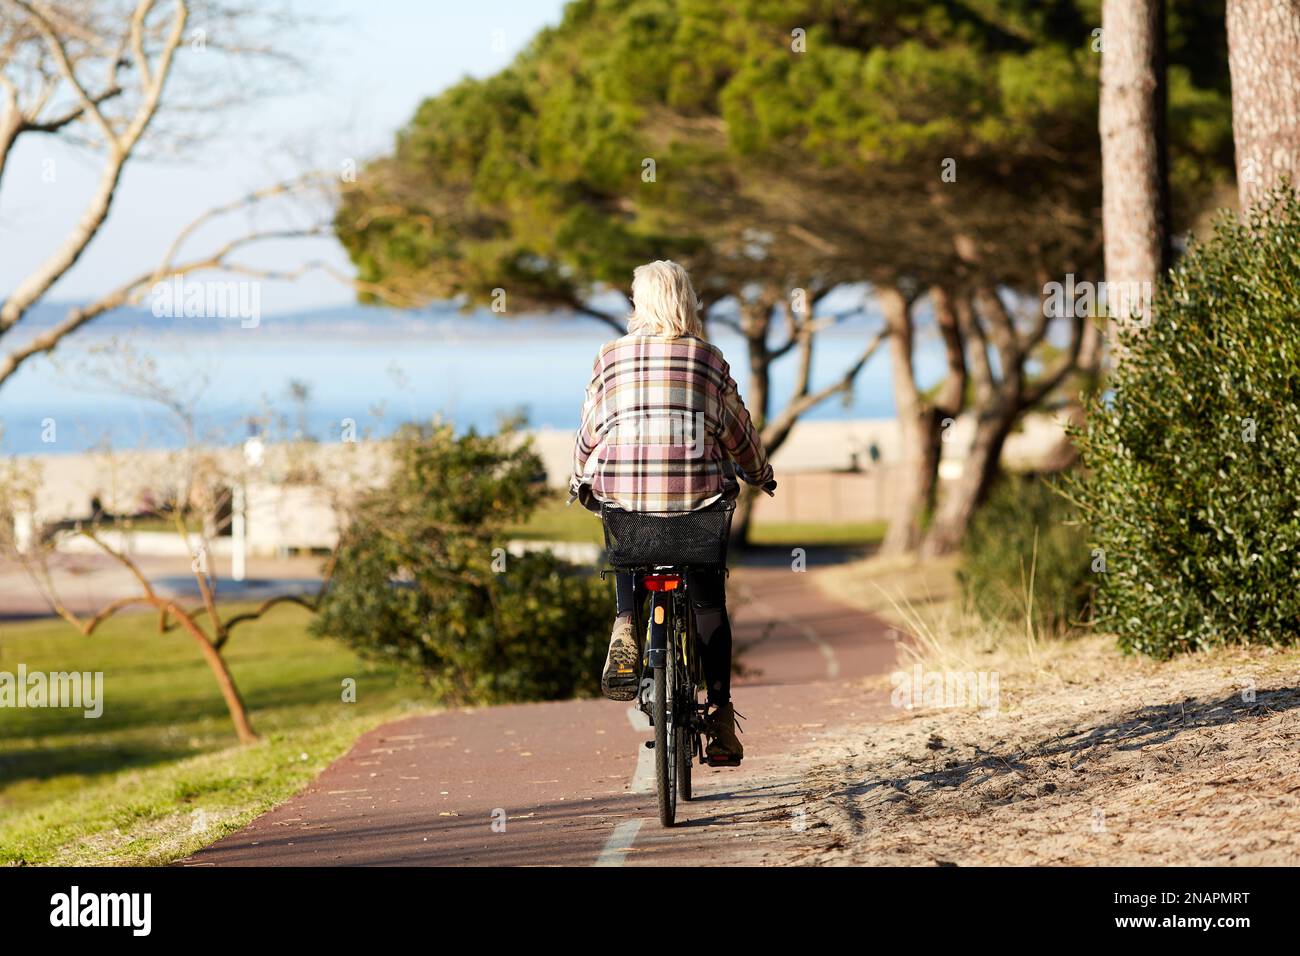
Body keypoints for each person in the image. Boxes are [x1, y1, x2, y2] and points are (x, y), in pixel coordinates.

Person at [569, 260, 775, 765]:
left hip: (628, 505)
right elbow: (738, 432)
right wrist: (759, 473)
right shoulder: (709, 359)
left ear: (639, 305)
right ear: (690, 302)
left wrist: (577, 478)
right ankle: (722, 718)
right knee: (708, 601)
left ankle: (624, 620)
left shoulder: (608, 357)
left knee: (620, 522)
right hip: (695, 509)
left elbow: (591, 429)